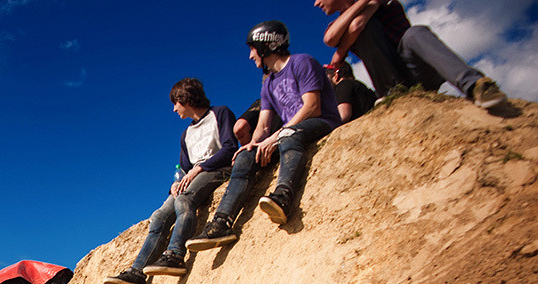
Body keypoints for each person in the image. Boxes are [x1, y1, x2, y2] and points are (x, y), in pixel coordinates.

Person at [187, 20, 341, 250]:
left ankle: (283, 197)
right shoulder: (268, 84)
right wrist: (252, 145)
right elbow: (263, 126)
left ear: (266, 45)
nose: (251, 56)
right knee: (245, 156)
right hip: (288, 132)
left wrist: (276, 137)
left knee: (289, 134)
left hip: (321, 123)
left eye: (252, 49)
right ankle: (221, 224)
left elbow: (312, 108)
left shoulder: (302, 62)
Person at [104, 78, 238, 284]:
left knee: (185, 200)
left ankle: (175, 255)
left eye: (176, 103)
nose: (174, 109)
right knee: (159, 216)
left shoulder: (220, 113)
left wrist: (199, 169)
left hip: (217, 170)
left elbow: (230, 148)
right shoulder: (186, 134)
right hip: (193, 176)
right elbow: (184, 167)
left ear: (186, 99)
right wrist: (176, 184)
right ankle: (137, 273)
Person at [314, 0, 507, 109]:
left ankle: (476, 85)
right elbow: (331, 38)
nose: (316, 3)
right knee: (364, 29)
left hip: (418, 71)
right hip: (390, 82)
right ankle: (394, 91)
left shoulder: (388, 5)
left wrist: (341, 51)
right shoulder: (338, 25)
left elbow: (357, 25)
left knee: (415, 33)